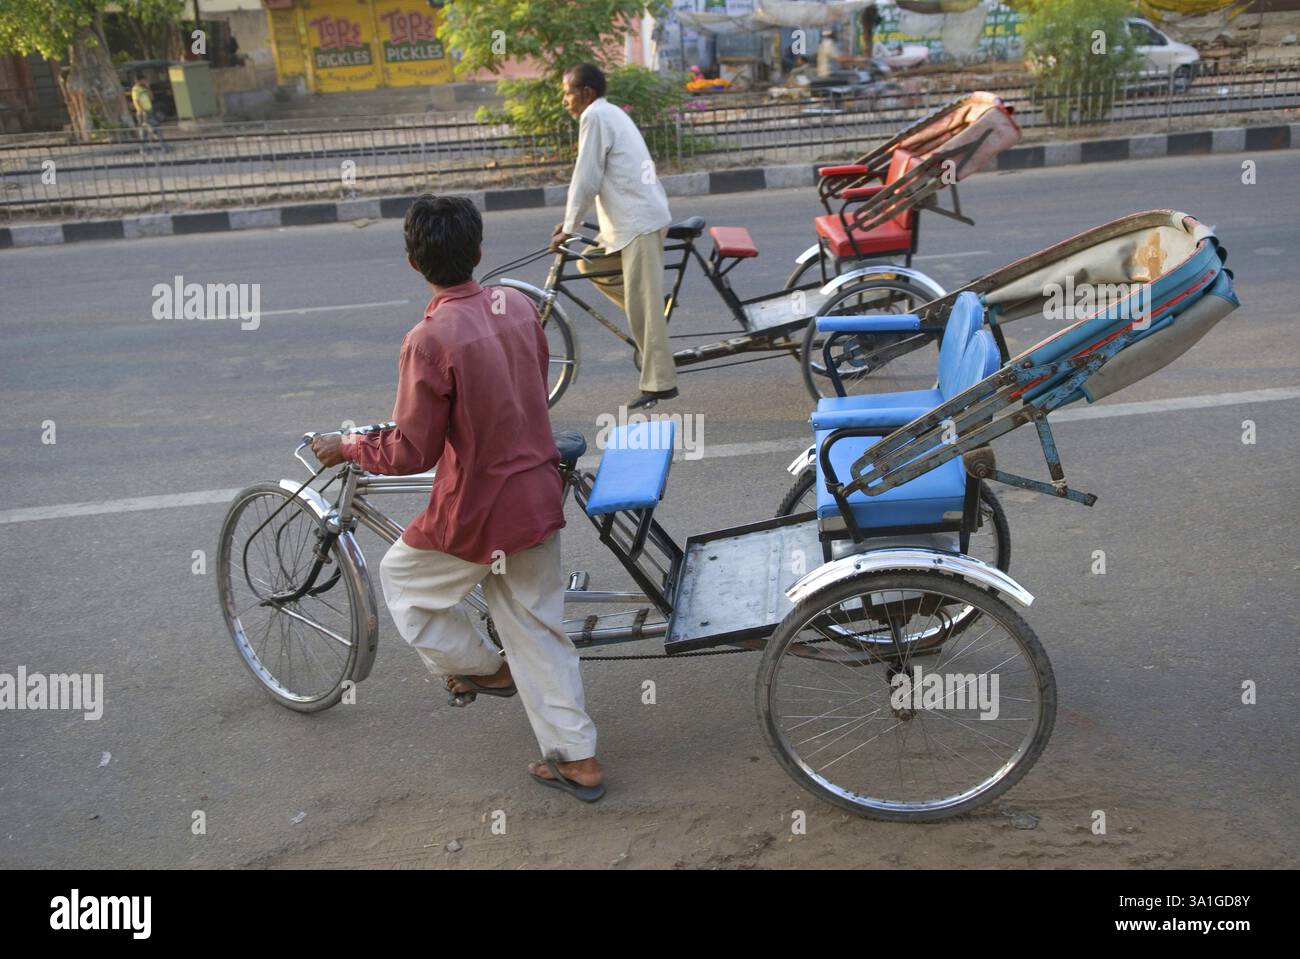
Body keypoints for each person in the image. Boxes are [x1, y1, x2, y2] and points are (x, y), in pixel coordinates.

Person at [310, 194, 604, 802]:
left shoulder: (428, 339)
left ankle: (481, 669)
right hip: (537, 490)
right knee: (538, 626)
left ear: (414, 262)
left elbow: (412, 451)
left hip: (479, 510)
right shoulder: (520, 307)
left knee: (405, 586)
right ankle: (577, 760)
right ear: (477, 251)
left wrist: (348, 444)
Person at [550, 63, 678, 410]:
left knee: (644, 308)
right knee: (589, 265)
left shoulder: (595, 116)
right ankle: (654, 307)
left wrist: (569, 227)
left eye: (568, 92)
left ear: (586, 92)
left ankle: (658, 383)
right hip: (629, 222)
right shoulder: (607, 113)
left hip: (638, 221)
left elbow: (586, 177)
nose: (565, 100)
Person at [130, 74, 169, 149]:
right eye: (143, 80)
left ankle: (148, 148)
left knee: (147, 131)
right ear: (138, 81)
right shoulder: (135, 89)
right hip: (143, 113)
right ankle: (163, 146)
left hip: (149, 110)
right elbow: (136, 101)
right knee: (153, 129)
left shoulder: (144, 88)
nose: (145, 81)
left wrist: (148, 88)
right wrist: (142, 111)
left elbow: (151, 98)